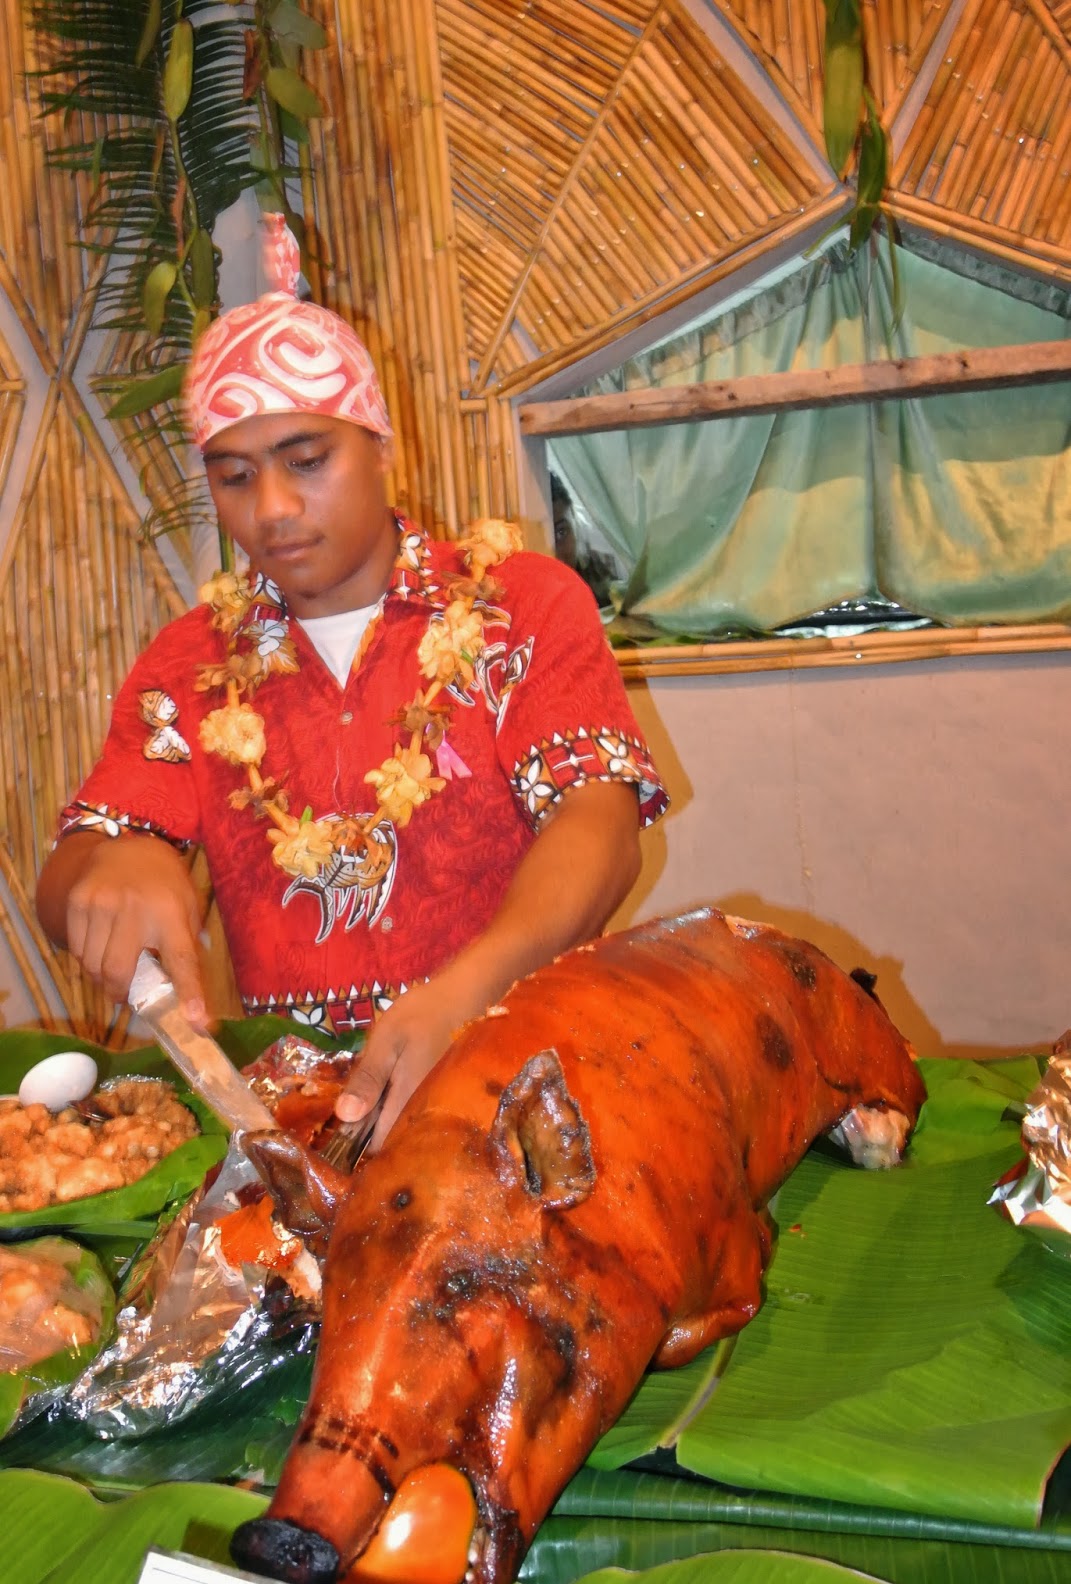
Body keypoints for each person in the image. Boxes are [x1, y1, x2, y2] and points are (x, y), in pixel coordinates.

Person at [36, 216, 667, 1148]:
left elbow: (600, 822)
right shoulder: (191, 663)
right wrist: (113, 865)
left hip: (524, 1089)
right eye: (235, 476)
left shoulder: (517, 606)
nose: (274, 511)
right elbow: (71, 875)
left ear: (379, 444)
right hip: (299, 1127)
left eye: (307, 461)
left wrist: (465, 992)